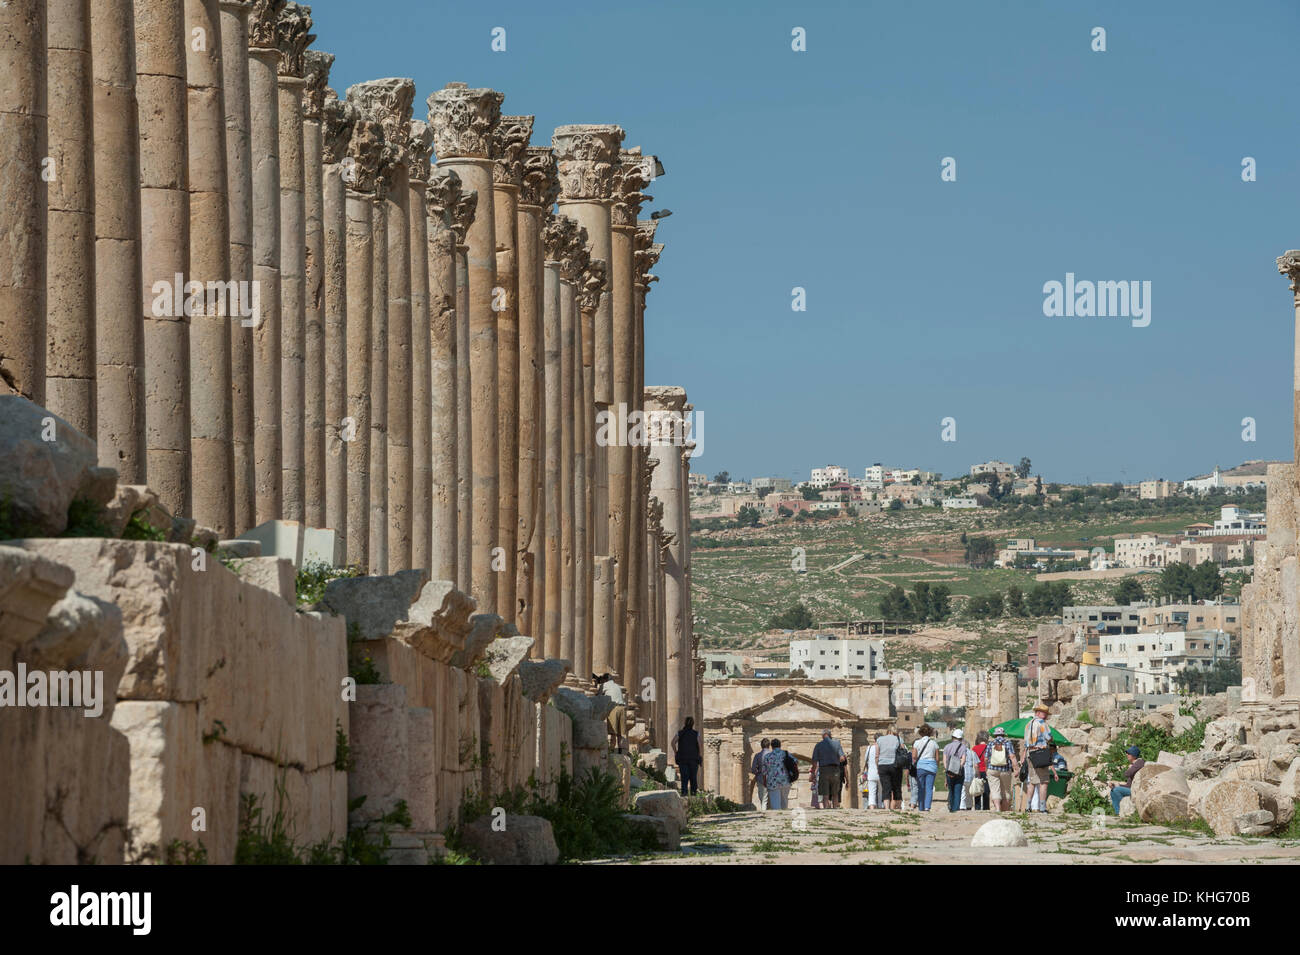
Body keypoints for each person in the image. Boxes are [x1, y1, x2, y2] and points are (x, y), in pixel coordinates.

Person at [1023, 703, 1055, 813]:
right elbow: (1048, 737)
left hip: (1030, 753)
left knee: (1032, 781)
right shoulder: (1042, 723)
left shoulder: (1028, 724)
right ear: (1039, 713)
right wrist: (1051, 738)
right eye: (1045, 713)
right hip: (1040, 753)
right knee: (1043, 781)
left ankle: (1028, 806)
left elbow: (1025, 742)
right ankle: (1042, 807)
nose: (1046, 716)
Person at [984, 726, 1019, 812]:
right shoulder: (1008, 743)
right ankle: (1006, 810)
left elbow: (986, 758)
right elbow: (1012, 756)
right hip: (1005, 769)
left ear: (995, 735)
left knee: (995, 789)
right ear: (1003, 735)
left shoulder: (990, 743)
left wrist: (986, 768)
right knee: (1006, 790)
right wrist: (1016, 768)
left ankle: (997, 808)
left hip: (992, 769)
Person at [812, 729, 847, 809]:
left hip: (824, 770)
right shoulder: (837, 743)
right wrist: (835, 760)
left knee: (825, 794)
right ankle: (835, 809)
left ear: (822, 736)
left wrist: (813, 773)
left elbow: (814, 761)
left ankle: (827, 810)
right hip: (835, 769)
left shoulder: (818, 745)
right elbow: (842, 758)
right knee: (835, 793)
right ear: (830, 735)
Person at [594, 672, 627, 754]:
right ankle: (621, 751)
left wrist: (595, 686)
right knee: (621, 733)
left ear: (605, 679)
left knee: (612, 732)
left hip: (614, 708)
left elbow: (598, 697)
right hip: (622, 708)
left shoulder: (604, 685)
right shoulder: (616, 686)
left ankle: (611, 751)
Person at [874, 727, 905, 811]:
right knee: (896, 786)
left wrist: (877, 766)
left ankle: (887, 807)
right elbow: (903, 752)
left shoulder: (879, 739)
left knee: (886, 787)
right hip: (895, 765)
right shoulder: (899, 739)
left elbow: (877, 755)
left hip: (882, 765)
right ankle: (898, 806)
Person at [1109, 745, 1146, 814]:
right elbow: (1128, 782)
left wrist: (1130, 767)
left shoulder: (1139, 762)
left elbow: (1127, 774)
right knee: (1113, 789)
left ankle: (1125, 811)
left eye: (1129, 753)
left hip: (1135, 790)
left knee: (1116, 790)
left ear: (1134, 755)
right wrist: (1118, 784)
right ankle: (1118, 812)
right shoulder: (1136, 763)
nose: (1127, 755)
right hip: (1131, 788)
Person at [671, 717, 702, 796]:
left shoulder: (680, 733)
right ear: (693, 724)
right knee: (693, 778)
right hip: (693, 759)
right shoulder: (696, 734)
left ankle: (684, 794)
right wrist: (699, 754)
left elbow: (673, 742)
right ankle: (693, 794)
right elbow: (700, 745)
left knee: (684, 777)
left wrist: (676, 752)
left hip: (683, 759)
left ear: (685, 723)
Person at [912, 725, 939, 811]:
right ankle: (927, 807)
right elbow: (937, 758)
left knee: (921, 788)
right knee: (929, 788)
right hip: (931, 767)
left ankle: (921, 807)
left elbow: (914, 756)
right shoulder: (934, 743)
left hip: (921, 767)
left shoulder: (917, 743)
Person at [762, 737, 794, 810]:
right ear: (780, 745)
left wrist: (764, 782)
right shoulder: (786, 754)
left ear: (771, 746)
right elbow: (795, 762)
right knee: (784, 802)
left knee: (775, 804)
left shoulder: (767, 756)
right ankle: (785, 817)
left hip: (772, 782)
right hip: (785, 780)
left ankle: (777, 818)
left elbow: (764, 771)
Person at [942, 728, 969, 812]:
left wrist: (948, 769)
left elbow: (945, 760)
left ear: (953, 737)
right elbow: (963, 760)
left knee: (951, 790)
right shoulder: (963, 747)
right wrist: (958, 768)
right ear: (961, 738)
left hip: (949, 770)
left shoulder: (947, 746)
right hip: (959, 772)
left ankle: (950, 806)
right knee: (958, 790)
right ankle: (956, 808)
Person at [971, 731, 990, 810]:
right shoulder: (989, 747)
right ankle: (986, 807)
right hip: (987, 770)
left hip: (977, 770)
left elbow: (973, 761)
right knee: (986, 790)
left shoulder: (974, 748)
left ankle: (977, 807)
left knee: (977, 789)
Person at [751, 738, 771, 810]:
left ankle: (764, 813)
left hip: (761, 778)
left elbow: (753, 769)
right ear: (769, 745)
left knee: (763, 798)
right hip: (771, 779)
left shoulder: (757, 755)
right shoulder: (772, 755)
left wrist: (757, 773)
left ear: (761, 746)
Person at [863, 735, 881, 809]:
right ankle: (881, 806)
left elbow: (865, 759)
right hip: (881, 772)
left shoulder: (869, 748)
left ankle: (872, 807)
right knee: (881, 792)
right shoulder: (882, 748)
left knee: (871, 792)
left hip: (871, 772)